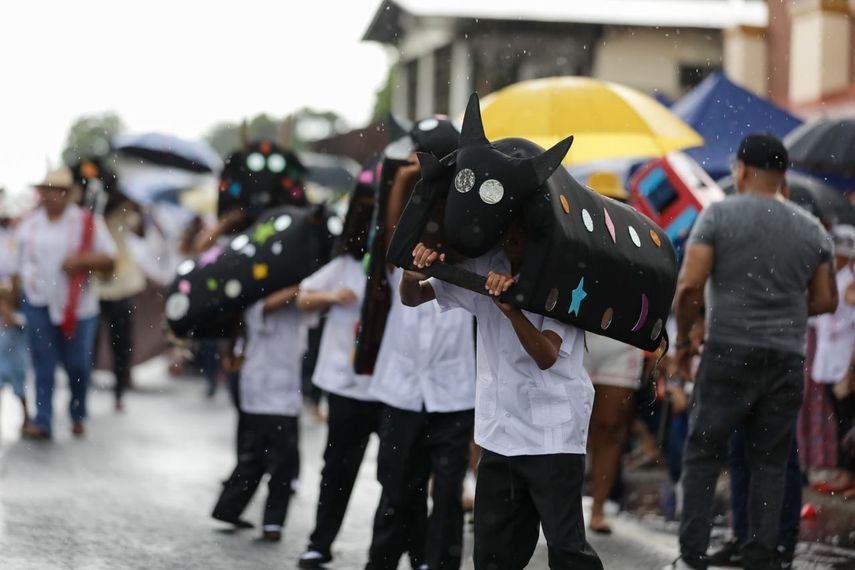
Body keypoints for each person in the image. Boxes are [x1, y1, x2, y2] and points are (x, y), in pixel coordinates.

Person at [670, 134, 837, 570]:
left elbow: (689, 285)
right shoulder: (812, 228)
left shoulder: (718, 215)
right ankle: (761, 552)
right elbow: (826, 301)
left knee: (705, 451)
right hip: (785, 358)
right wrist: (782, 303)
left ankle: (692, 552)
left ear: (741, 170)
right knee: (770, 458)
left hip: (730, 350)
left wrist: (686, 341)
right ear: (784, 175)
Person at [401, 218, 603, 569]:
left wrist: (512, 309)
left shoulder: (565, 277)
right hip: (499, 434)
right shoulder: (486, 268)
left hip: (552, 437)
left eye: (519, 234)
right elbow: (415, 297)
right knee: (493, 552)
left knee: (566, 548)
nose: (510, 242)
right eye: (505, 233)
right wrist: (411, 272)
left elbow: (546, 355)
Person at [297, 194, 378, 568]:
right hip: (346, 386)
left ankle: (386, 555)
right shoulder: (345, 265)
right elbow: (303, 296)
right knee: (338, 468)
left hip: (389, 387)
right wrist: (333, 296)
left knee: (396, 475)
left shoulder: (398, 269)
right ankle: (320, 542)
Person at [15, 167, 117, 440]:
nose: (50, 196)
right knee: (43, 363)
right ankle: (44, 419)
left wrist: (82, 261)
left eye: (55, 190)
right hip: (38, 302)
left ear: (67, 193)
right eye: (45, 190)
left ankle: (77, 410)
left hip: (79, 306)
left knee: (77, 364)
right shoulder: (30, 225)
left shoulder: (86, 222)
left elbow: (110, 259)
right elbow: (19, 266)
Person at [211, 284, 307, 542]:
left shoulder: (289, 301)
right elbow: (269, 305)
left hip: (276, 393)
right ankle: (271, 521)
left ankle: (229, 509)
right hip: (266, 393)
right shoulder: (255, 299)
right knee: (277, 460)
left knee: (258, 457)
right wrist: (302, 285)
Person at [810, 224, 855, 498]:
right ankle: (843, 470)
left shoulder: (850, 283)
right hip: (828, 359)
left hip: (845, 361)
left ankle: (849, 473)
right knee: (839, 418)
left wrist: (851, 370)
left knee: (849, 419)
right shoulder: (830, 279)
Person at [584, 333, 644, 534]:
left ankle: (598, 508)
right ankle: (553, 506)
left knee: (609, 428)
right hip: (574, 329)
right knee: (561, 424)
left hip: (623, 337)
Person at [96, 193, 146, 411]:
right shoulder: (90, 215)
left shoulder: (122, 211)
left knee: (121, 341)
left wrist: (138, 209)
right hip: (95, 286)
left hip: (121, 286)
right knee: (93, 341)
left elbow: (140, 232)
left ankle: (119, 389)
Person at [0, 280, 30, 432]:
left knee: (20, 392)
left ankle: (27, 416)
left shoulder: (18, 317)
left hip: (16, 363)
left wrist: (9, 317)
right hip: (1, 363)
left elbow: (21, 325)